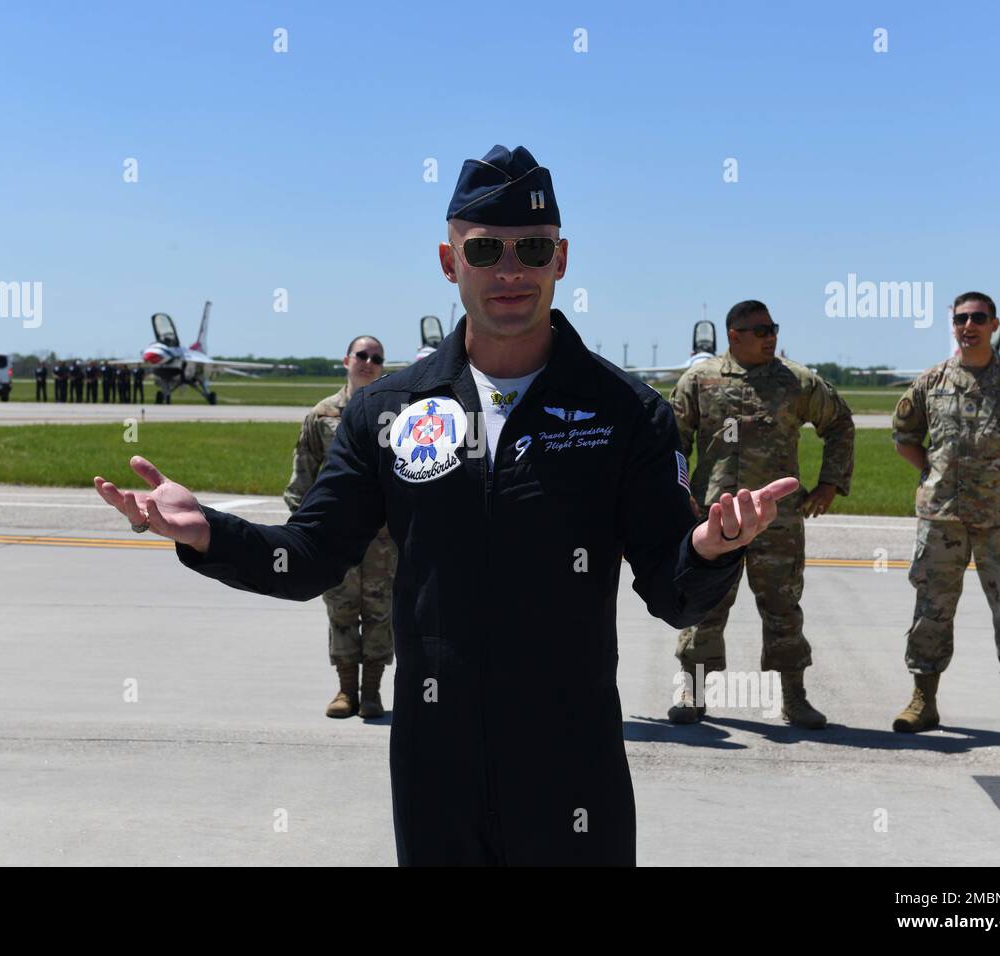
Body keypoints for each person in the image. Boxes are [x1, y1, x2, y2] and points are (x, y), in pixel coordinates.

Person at [93, 144, 798, 865]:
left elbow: (674, 593)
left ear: (562, 259)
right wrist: (209, 533)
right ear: (448, 260)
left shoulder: (624, 413)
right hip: (436, 763)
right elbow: (308, 558)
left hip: (571, 764)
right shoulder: (387, 410)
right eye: (486, 249)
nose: (510, 270)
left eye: (533, 248)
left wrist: (713, 550)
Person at [667, 300, 855, 727]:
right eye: (761, 330)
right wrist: (678, 497)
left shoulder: (796, 381)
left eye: (773, 328)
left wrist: (830, 483)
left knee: (783, 606)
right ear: (735, 336)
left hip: (778, 520)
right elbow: (672, 441)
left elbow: (840, 422)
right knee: (705, 604)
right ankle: (693, 692)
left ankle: (794, 697)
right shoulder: (700, 380)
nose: (771, 336)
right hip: (717, 519)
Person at [891, 292, 1000, 741]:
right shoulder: (930, 382)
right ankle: (923, 701)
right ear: (952, 325)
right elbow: (904, 437)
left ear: (994, 324)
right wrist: (935, 476)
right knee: (931, 611)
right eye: (961, 318)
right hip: (942, 520)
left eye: (978, 318)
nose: (969, 325)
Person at [284, 335, 396, 718]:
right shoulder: (322, 416)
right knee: (342, 613)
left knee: (381, 613)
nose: (369, 362)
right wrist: (304, 535)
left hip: (384, 543)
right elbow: (302, 479)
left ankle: (372, 693)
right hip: (336, 537)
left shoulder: (393, 414)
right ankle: (346, 690)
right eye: (362, 355)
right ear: (347, 360)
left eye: (377, 358)